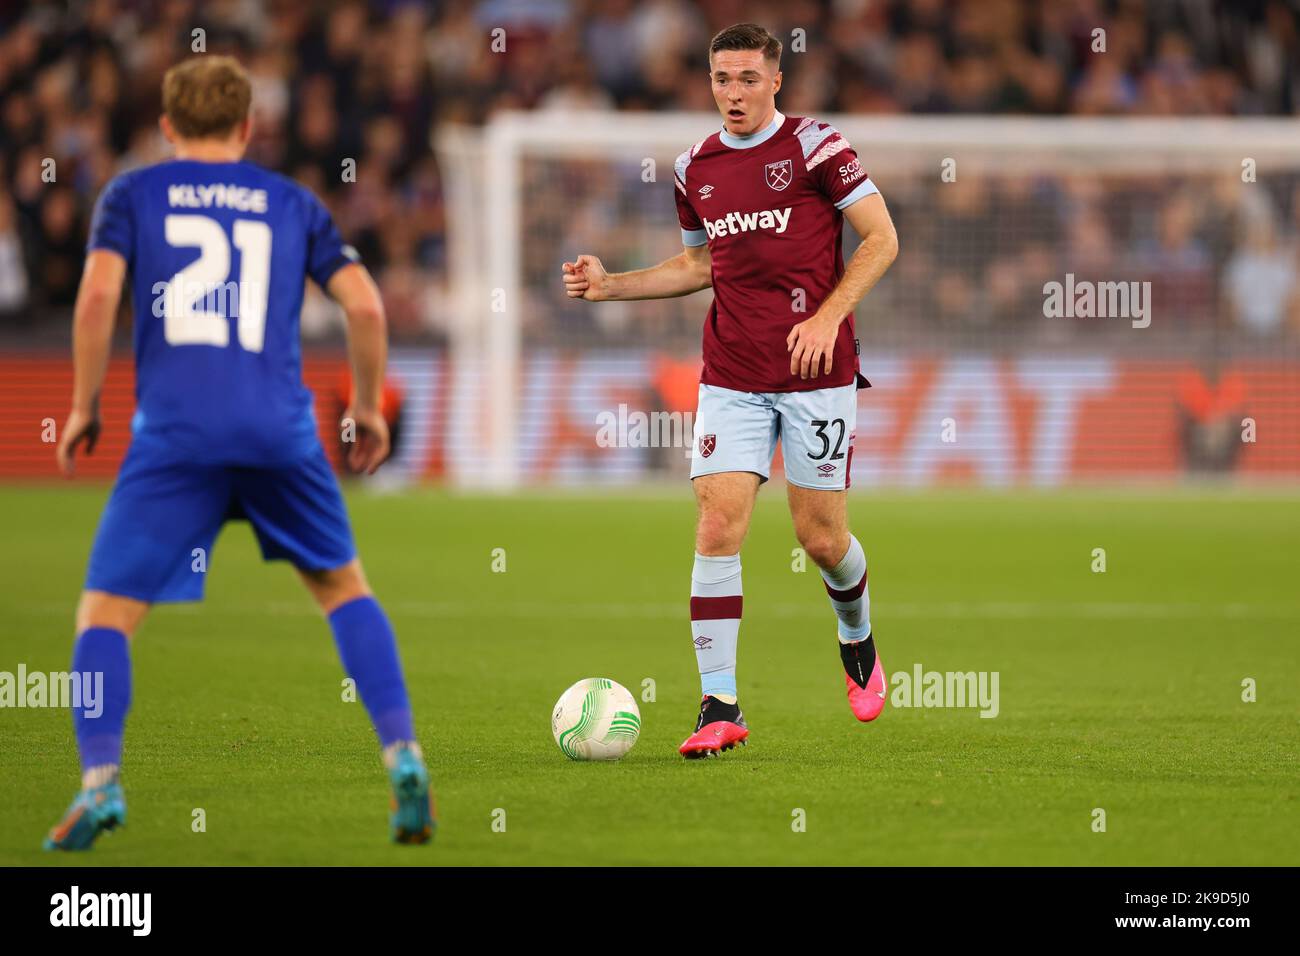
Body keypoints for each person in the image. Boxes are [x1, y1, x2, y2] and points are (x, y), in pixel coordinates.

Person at [46, 56, 434, 849]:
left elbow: (93, 298)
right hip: (277, 434)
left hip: (176, 437)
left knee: (105, 614)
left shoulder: (132, 194)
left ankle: (99, 784)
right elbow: (363, 305)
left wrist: (85, 404)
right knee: (344, 589)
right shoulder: (291, 201)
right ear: (248, 126)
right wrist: (364, 407)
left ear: (165, 126)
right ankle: (403, 757)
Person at [562, 23, 899, 757]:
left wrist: (828, 316)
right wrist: (609, 285)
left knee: (821, 538)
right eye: (722, 79)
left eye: (748, 78)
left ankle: (857, 635)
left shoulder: (817, 147)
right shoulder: (695, 168)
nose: (734, 93)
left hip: (818, 375)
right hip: (733, 375)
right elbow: (699, 267)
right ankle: (719, 704)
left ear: (776, 81)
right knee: (717, 527)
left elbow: (881, 239)